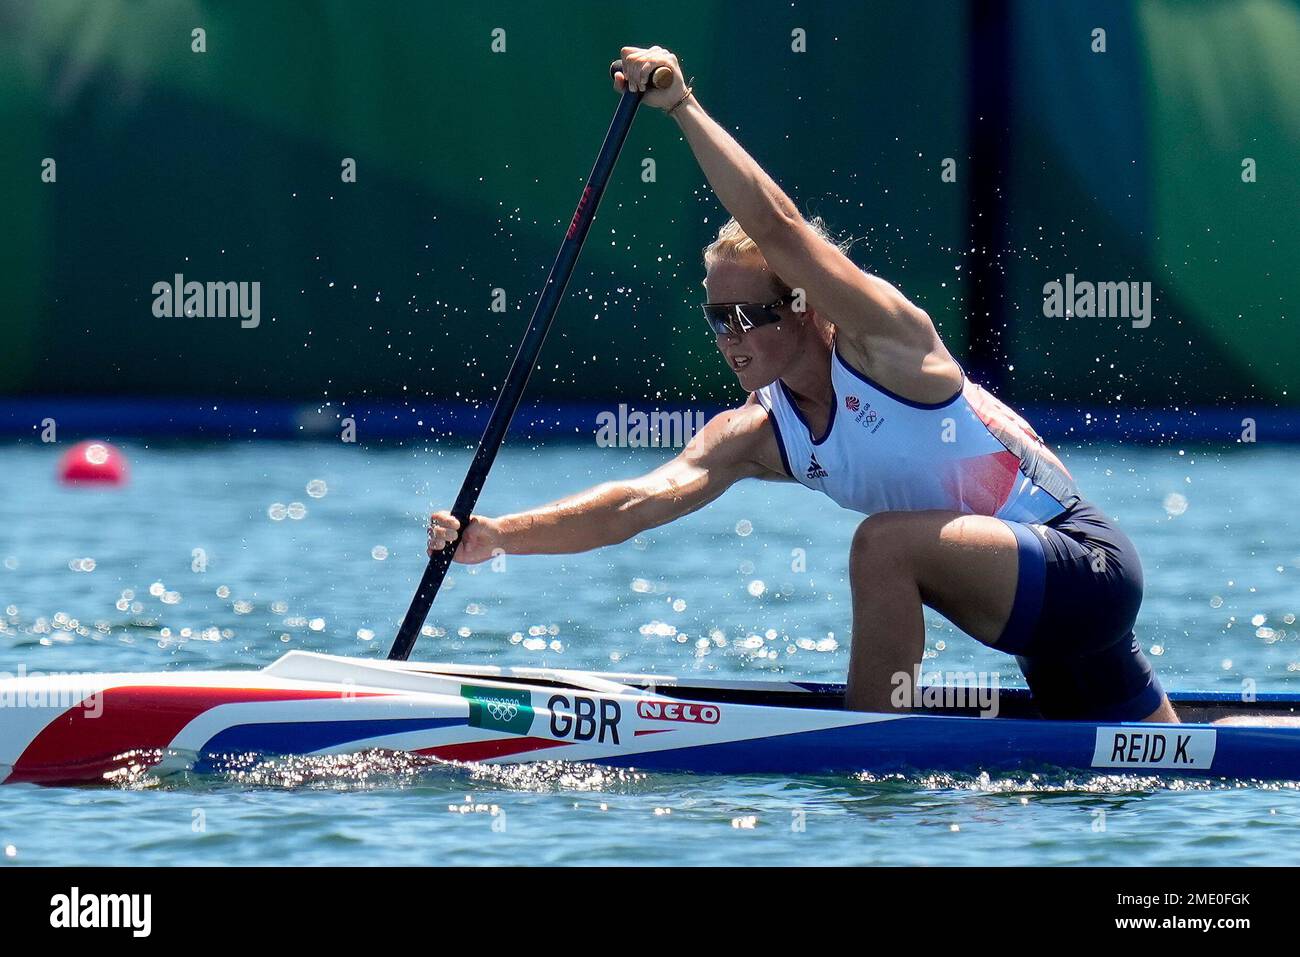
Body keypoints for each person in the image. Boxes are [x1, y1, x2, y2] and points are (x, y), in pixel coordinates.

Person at [428, 45, 1177, 723]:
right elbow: (638, 502)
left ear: (805, 305)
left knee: (881, 547)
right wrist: (496, 537)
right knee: (1166, 775)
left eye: (750, 314)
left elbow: (779, 226)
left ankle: (873, 747)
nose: (732, 337)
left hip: (1087, 567)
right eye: (717, 318)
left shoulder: (890, 342)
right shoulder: (759, 432)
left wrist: (683, 107)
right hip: (1039, 612)